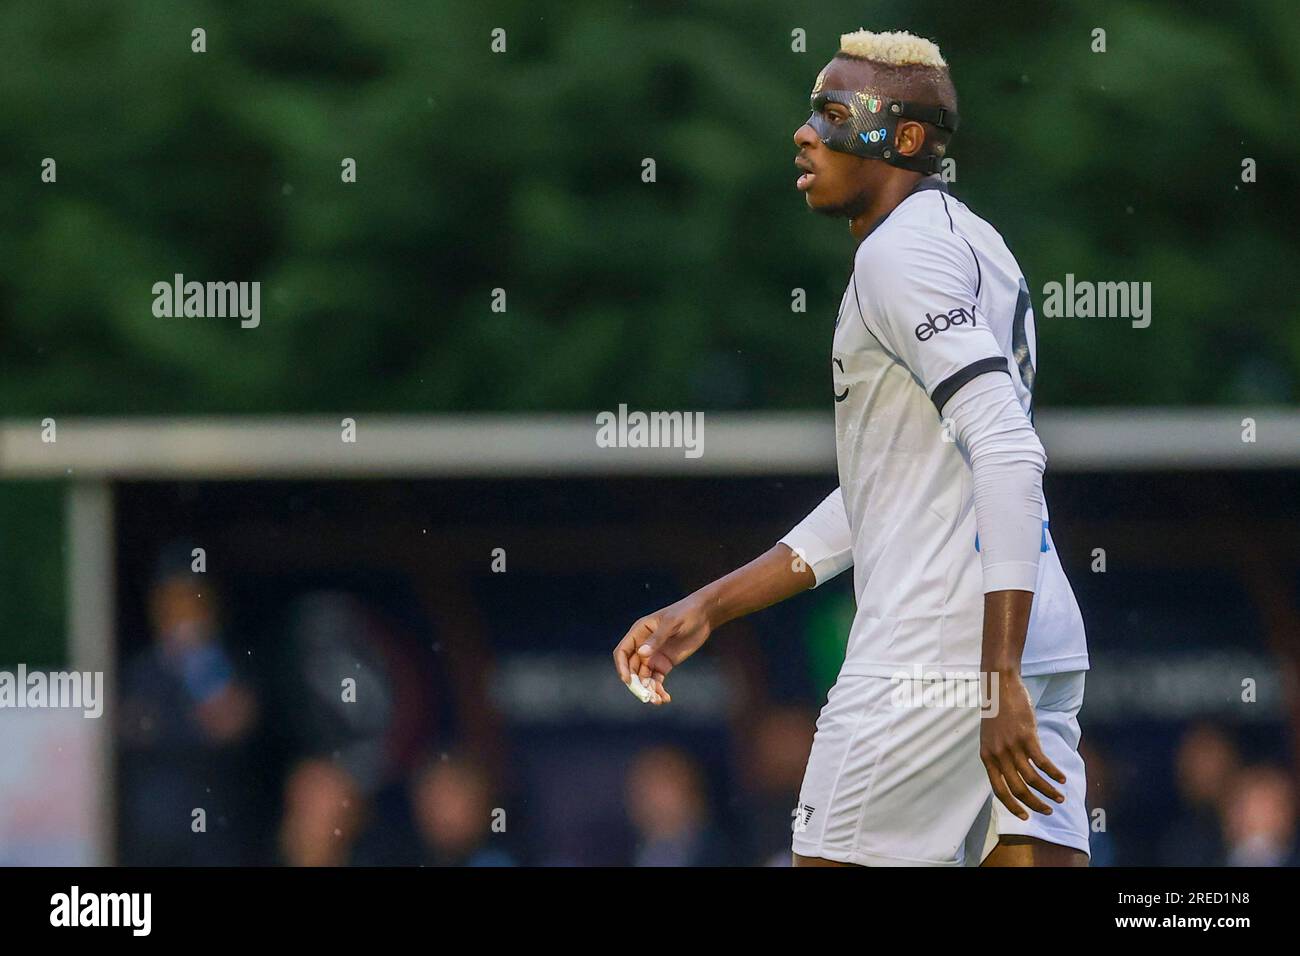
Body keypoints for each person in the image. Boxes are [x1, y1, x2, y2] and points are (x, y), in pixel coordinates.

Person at [613, 29, 1089, 867]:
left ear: (905, 140)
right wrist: (709, 608)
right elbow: (894, 491)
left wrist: (994, 674)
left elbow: (1008, 449)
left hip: (940, 650)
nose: (805, 134)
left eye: (834, 114)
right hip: (1033, 632)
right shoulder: (978, 243)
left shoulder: (898, 258)